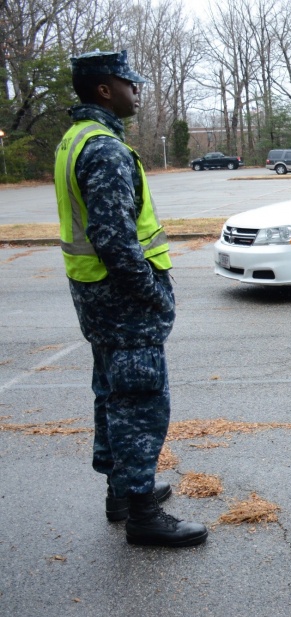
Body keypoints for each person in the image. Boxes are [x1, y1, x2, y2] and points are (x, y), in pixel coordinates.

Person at [54, 50, 207, 547]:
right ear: (104, 89)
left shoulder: (75, 139)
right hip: (123, 302)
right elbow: (115, 241)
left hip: (95, 297)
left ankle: (122, 493)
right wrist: (153, 295)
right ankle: (141, 513)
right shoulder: (104, 150)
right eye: (128, 84)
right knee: (140, 402)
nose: (136, 91)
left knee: (112, 394)